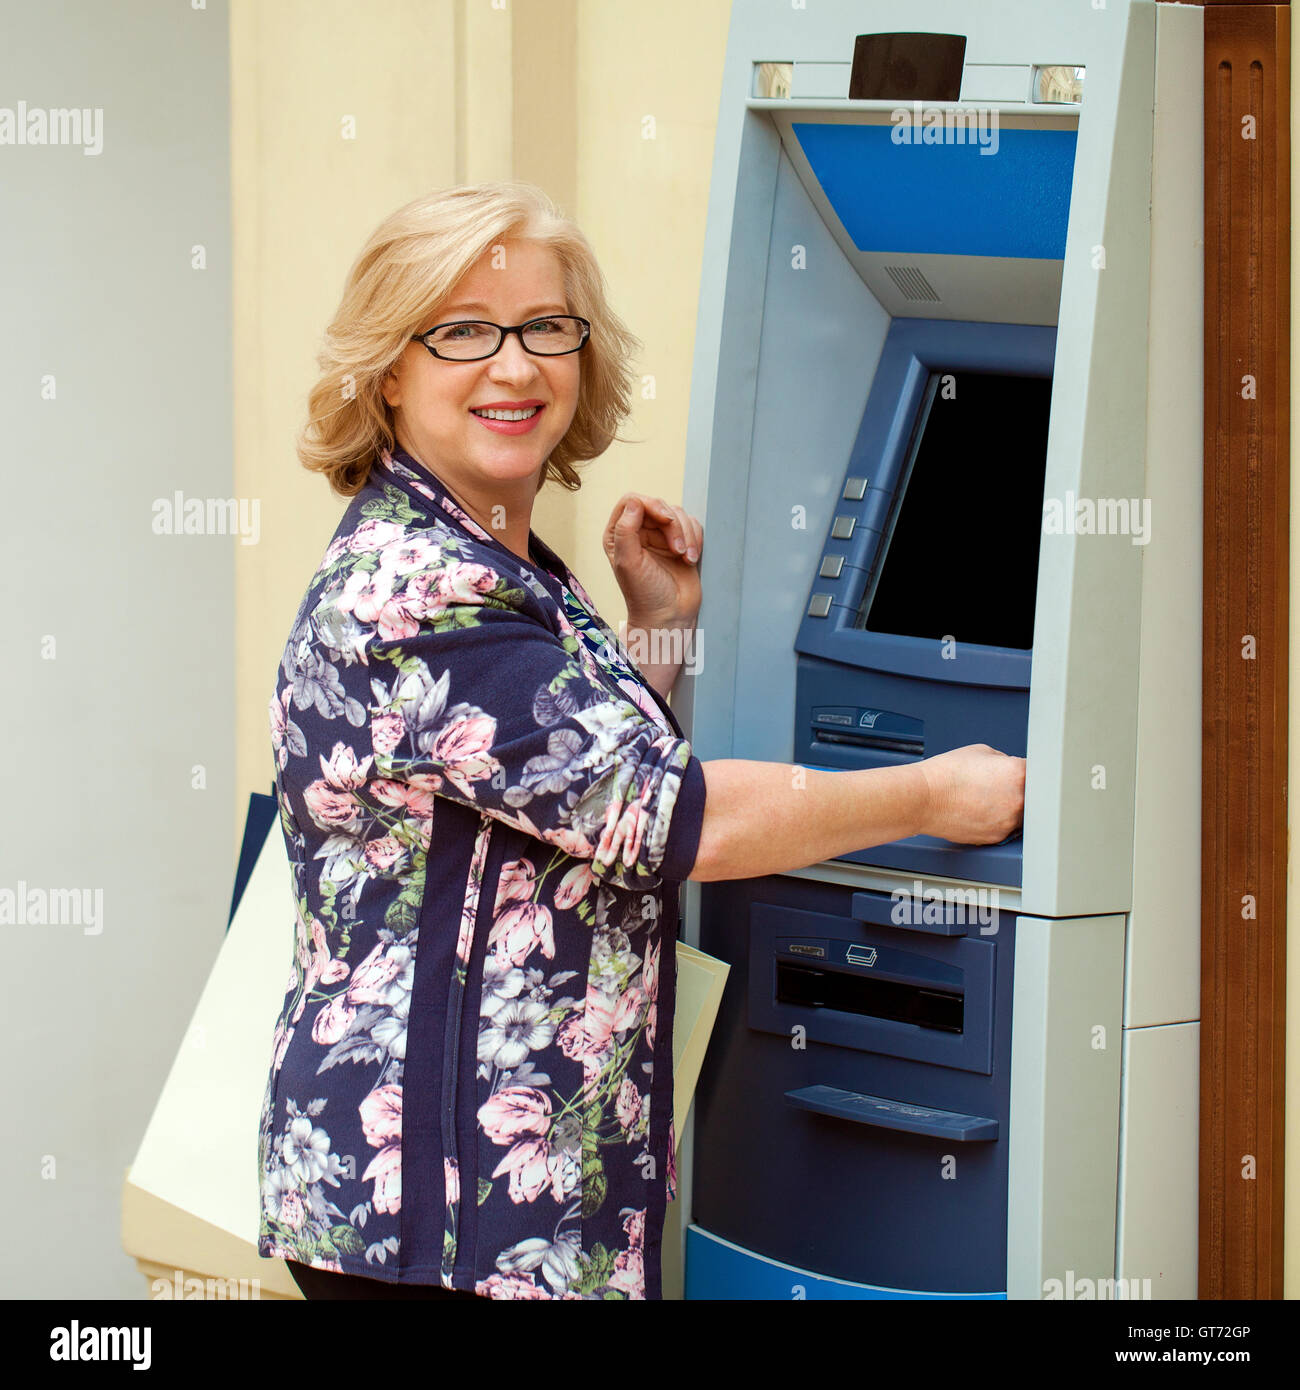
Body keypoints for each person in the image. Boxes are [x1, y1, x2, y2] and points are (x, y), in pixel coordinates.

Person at [255, 181, 1025, 1302]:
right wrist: (931, 794)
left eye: (545, 328)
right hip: (441, 1221)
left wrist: (657, 630)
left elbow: (564, 796)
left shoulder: (502, 562)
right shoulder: (422, 590)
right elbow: (672, 817)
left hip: (507, 1214)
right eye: (463, 331)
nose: (514, 367)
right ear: (388, 368)